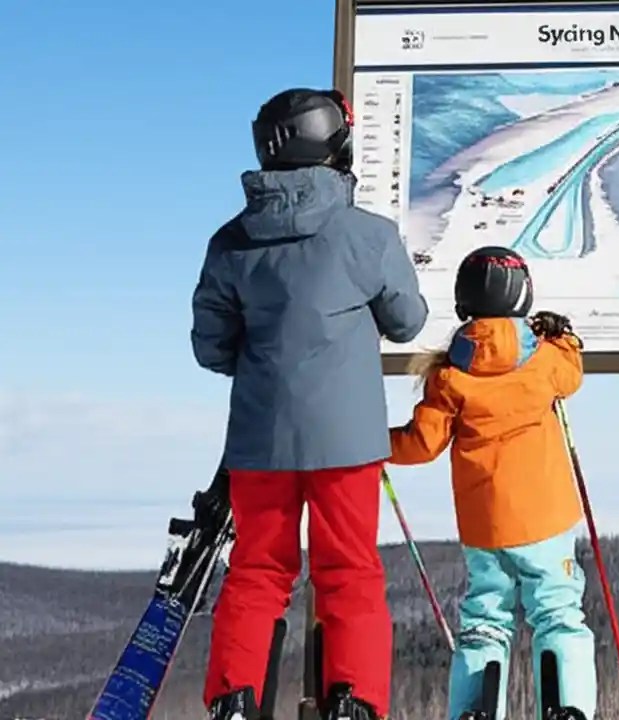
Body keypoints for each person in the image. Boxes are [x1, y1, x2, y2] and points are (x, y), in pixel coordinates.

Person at [191, 87, 428, 720]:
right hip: (347, 442)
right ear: (331, 142)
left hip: (259, 442)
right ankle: (353, 701)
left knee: (256, 572)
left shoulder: (231, 242)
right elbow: (407, 323)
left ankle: (235, 701)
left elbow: (210, 347)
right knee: (348, 573)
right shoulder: (368, 236)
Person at [387, 246, 595, 720]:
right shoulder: (544, 360)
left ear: (464, 302)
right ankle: (569, 707)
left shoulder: (450, 375)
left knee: (484, 621)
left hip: (485, 527)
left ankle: (474, 710)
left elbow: (421, 444)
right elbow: (573, 372)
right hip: (546, 519)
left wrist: (374, 444)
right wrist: (563, 336)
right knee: (559, 615)